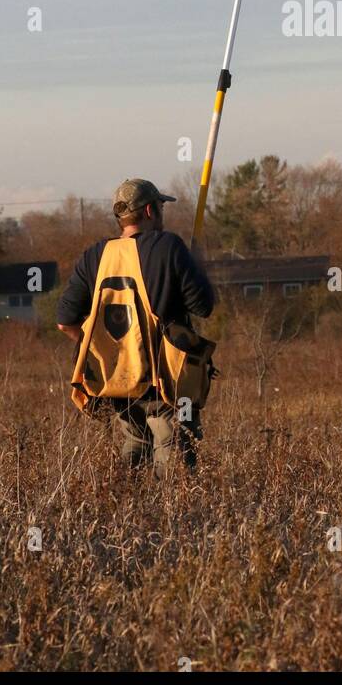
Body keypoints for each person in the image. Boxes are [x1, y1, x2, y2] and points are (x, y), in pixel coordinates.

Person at [56, 178, 216, 475]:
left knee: (136, 439)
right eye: (161, 206)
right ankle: (176, 515)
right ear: (150, 211)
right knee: (174, 446)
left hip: (117, 381)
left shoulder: (94, 256)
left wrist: (105, 353)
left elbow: (65, 323)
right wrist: (198, 266)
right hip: (165, 379)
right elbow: (204, 306)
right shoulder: (169, 246)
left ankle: (127, 511)